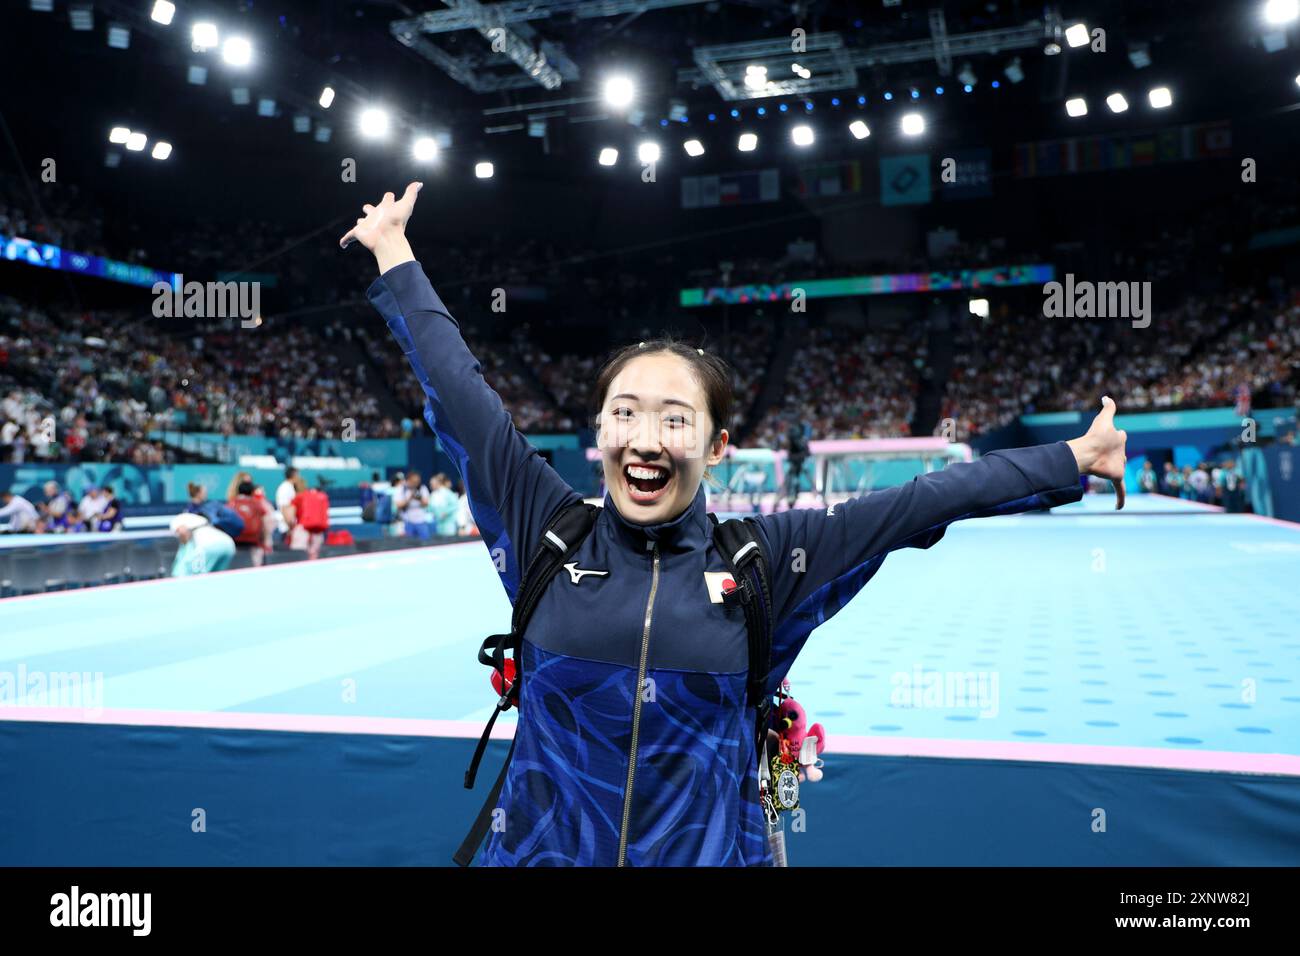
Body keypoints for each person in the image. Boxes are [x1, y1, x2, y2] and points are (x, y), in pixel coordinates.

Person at [341, 182, 1128, 867]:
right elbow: (460, 395)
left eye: (674, 420)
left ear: (718, 446)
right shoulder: (548, 528)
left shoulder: (772, 561)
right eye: (625, 414)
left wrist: (1073, 458)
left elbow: (924, 501)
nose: (646, 439)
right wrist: (394, 253)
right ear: (600, 434)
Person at [228, 479, 274, 566]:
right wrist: (265, 541)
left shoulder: (232, 503)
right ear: (252, 491)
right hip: (254, 542)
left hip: (235, 542)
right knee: (255, 567)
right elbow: (265, 524)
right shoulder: (258, 504)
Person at [286, 476, 330, 559]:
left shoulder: (297, 498)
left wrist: (290, 529)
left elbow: (290, 518)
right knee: (314, 556)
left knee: (299, 556)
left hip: (302, 528)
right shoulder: (317, 496)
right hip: (318, 530)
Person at [394, 470, 432, 539]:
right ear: (408, 480)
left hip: (421, 521)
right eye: (414, 482)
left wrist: (419, 498)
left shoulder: (422, 488)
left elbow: (427, 503)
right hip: (407, 522)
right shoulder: (401, 489)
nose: (416, 484)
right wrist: (409, 498)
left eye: (417, 482)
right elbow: (398, 505)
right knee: (409, 543)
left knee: (425, 541)